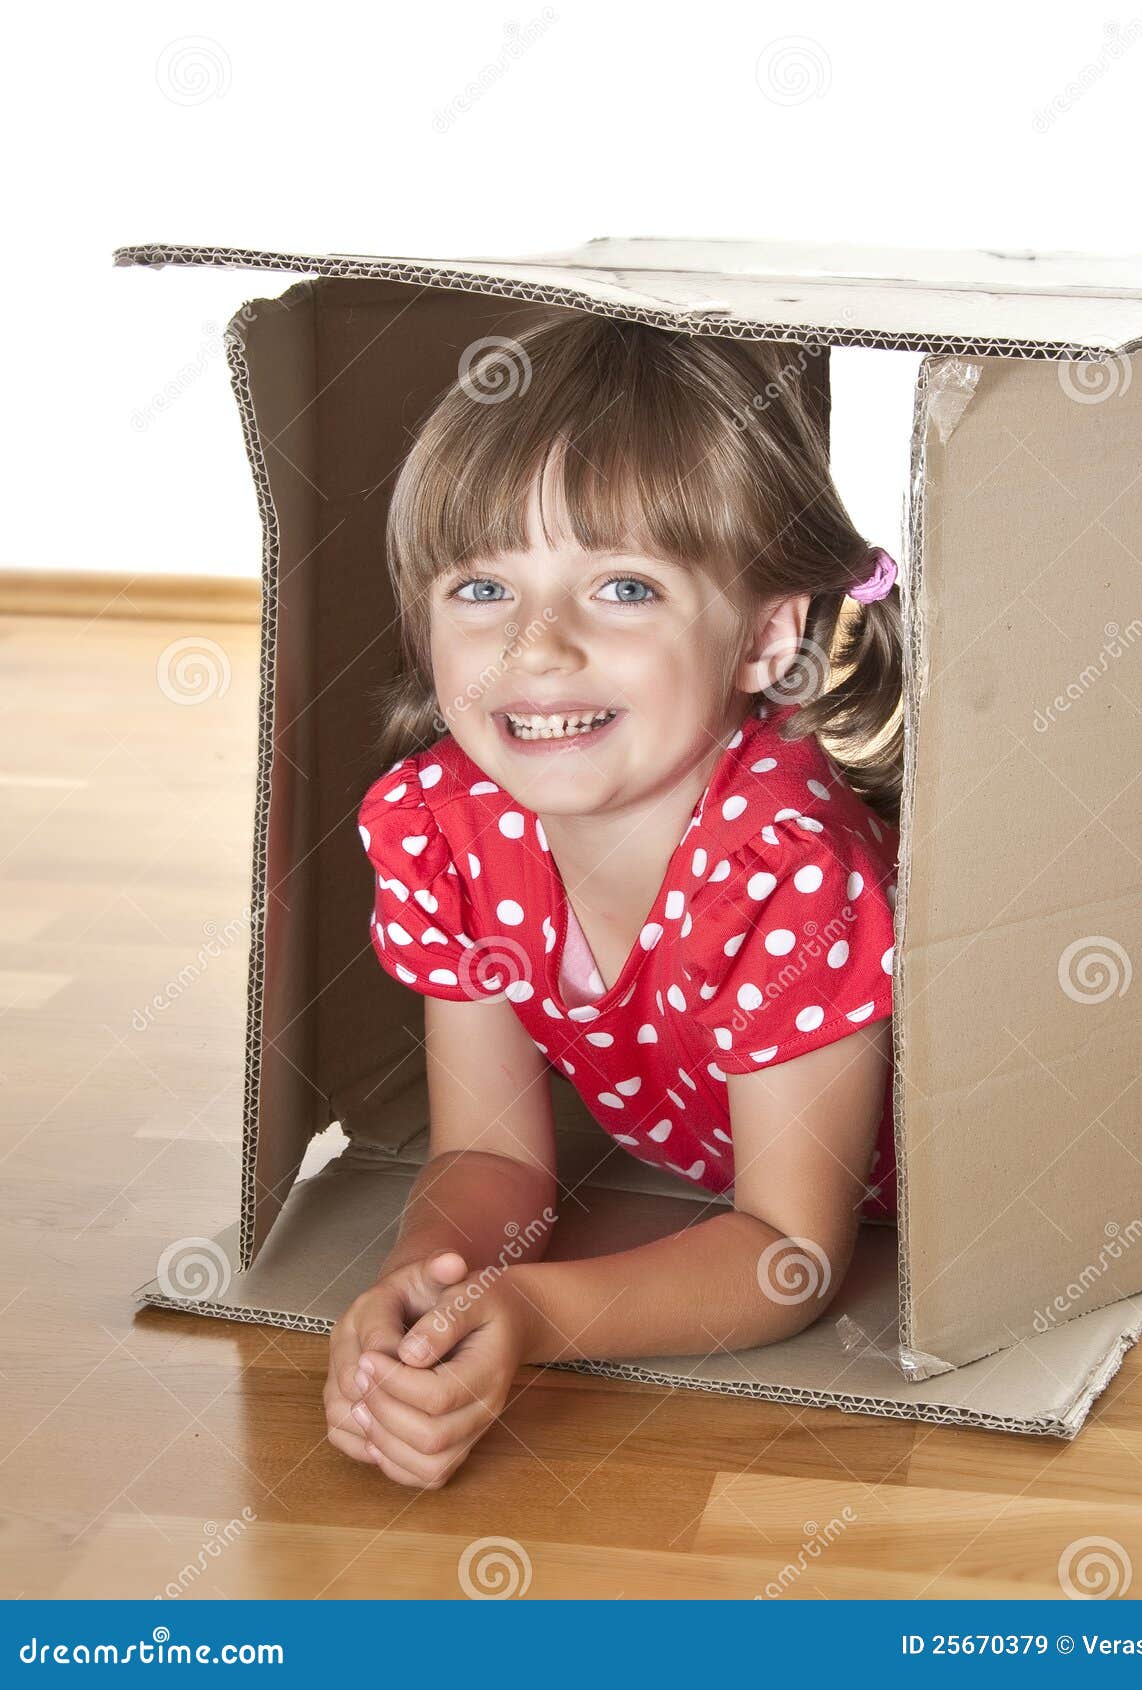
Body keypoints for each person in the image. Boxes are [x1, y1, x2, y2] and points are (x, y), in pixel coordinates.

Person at [324, 308, 904, 1489]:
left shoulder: (784, 868)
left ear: (764, 635)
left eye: (625, 586)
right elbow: (492, 1160)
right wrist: (428, 1294)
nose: (537, 649)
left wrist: (533, 1316)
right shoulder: (448, 829)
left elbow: (788, 1251)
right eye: (483, 587)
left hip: (883, 1177)